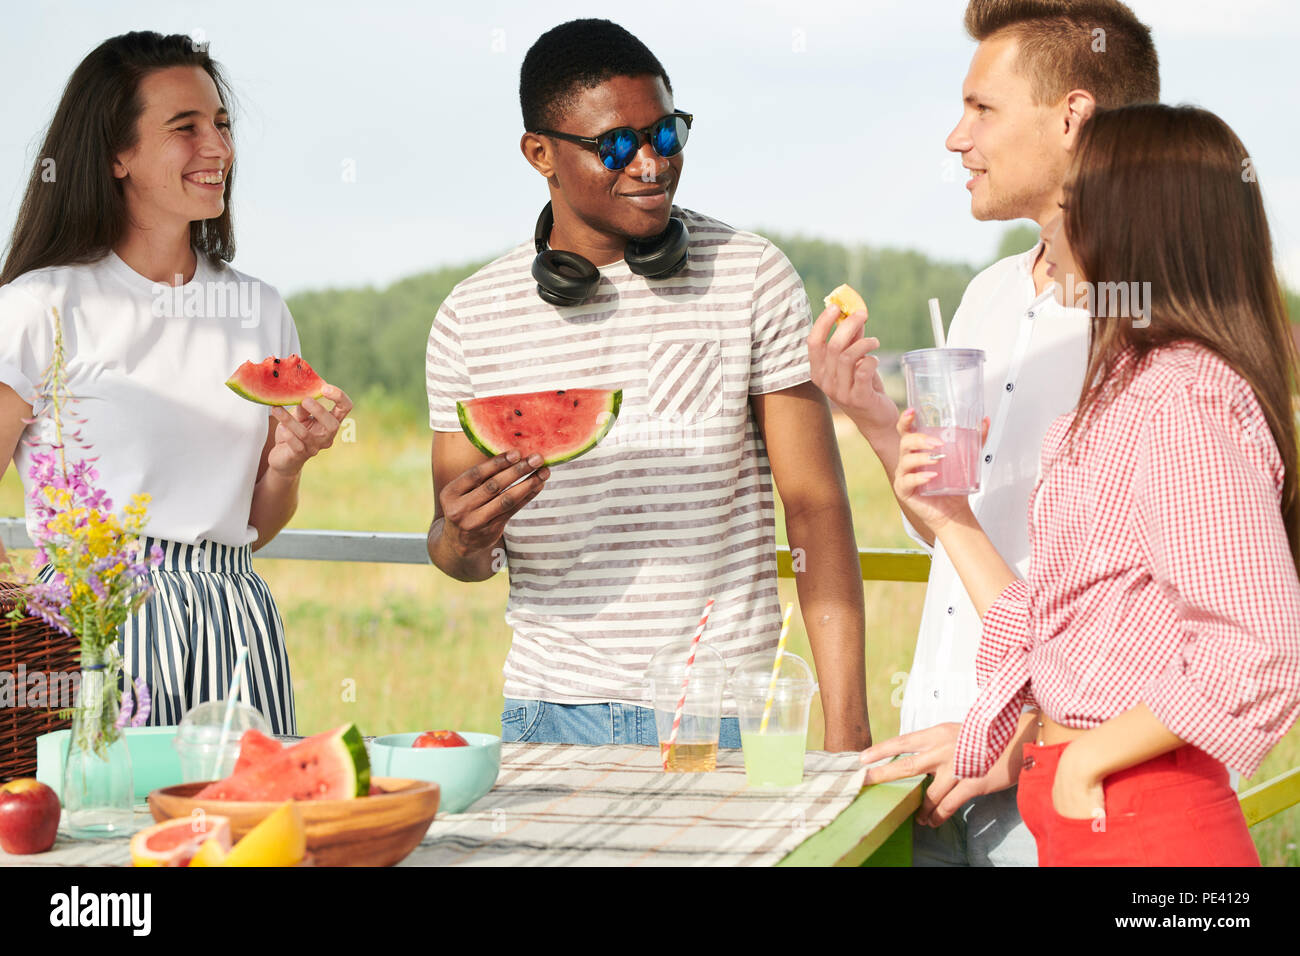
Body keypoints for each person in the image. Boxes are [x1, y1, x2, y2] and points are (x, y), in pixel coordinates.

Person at [425, 19, 870, 751]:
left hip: (727, 714)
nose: (650, 165)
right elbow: (460, 554)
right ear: (540, 152)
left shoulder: (749, 274)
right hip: (549, 715)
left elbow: (816, 510)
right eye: (615, 146)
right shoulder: (471, 316)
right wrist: (465, 535)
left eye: (666, 136)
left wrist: (846, 730)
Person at [893, 102, 1300, 866]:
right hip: (1096, 810)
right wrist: (950, 518)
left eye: (1073, 203)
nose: (1051, 222)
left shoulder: (1182, 396)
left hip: (1142, 817)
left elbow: (1262, 646)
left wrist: (1085, 759)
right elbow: (1066, 630)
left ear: (1139, 228)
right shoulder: (1129, 387)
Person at [809, 0, 1159, 865]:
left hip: (1059, 776)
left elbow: (1190, 606)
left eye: (982, 109)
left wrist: (1033, 737)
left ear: (1072, 116)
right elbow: (946, 515)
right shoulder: (989, 296)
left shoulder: (1158, 318)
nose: (955, 138)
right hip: (936, 757)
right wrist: (872, 419)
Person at [0, 32, 352, 734]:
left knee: (242, 837)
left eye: (221, 124)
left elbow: (249, 529)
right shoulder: (38, 304)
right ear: (116, 155)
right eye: (184, 128)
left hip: (233, 617)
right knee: (94, 833)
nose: (217, 148)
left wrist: (288, 461)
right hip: (93, 620)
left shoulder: (259, 309)